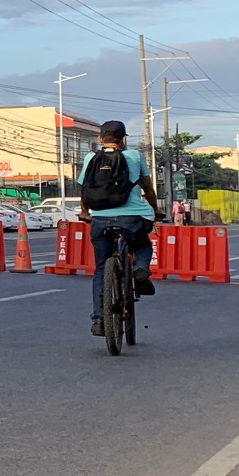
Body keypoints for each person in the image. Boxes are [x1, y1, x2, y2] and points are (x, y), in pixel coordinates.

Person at [79, 121, 160, 337]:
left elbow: (85, 188)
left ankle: (99, 320)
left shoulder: (90, 158)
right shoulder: (134, 156)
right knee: (142, 244)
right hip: (132, 217)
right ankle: (141, 269)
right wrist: (156, 210)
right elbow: (148, 188)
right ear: (123, 139)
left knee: (100, 268)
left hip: (100, 218)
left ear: (100, 139)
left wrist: (85, 212)